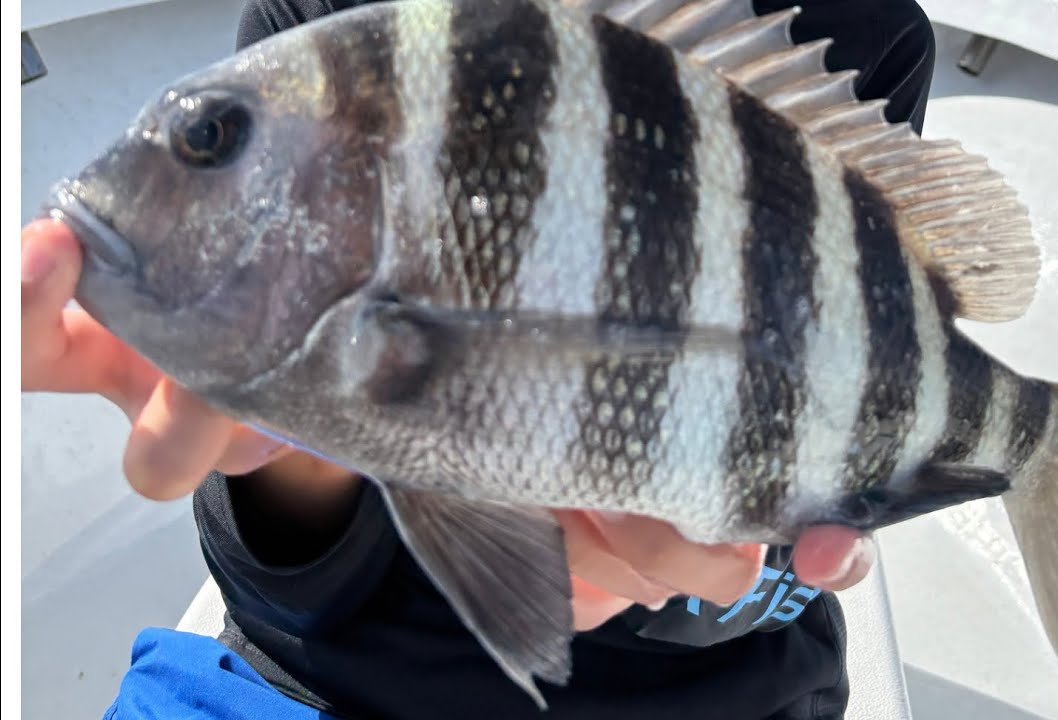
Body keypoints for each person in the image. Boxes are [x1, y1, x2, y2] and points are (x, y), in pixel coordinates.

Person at [20, 0, 936, 717]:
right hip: (315, 683)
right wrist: (289, 444)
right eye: (210, 143)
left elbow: (839, 391)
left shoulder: (865, 31)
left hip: (727, 695)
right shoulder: (332, 19)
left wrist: (738, 569)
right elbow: (297, 585)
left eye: (211, 142)